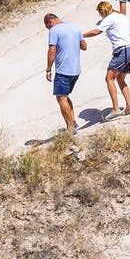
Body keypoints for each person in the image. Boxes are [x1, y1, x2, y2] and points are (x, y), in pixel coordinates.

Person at [84, 0, 130, 117]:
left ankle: (116, 108)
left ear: (102, 11)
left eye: (100, 13)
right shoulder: (123, 17)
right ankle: (129, 107)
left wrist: (81, 35)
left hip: (122, 50)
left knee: (109, 78)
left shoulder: (109, 18)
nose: (100, 16)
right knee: (120, 79)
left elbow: (96, 31)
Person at [44, 12, 87, 155]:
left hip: (63, 70)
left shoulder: (54, 30)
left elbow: (51, 51)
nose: (48, 30)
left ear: (50, 22)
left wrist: (49, 69)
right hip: (76, 70)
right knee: (65, 96)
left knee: (61, 97)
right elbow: (84, 46)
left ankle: (70, 128)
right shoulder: (74, 27)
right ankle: (73, 121)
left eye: (47, 27)